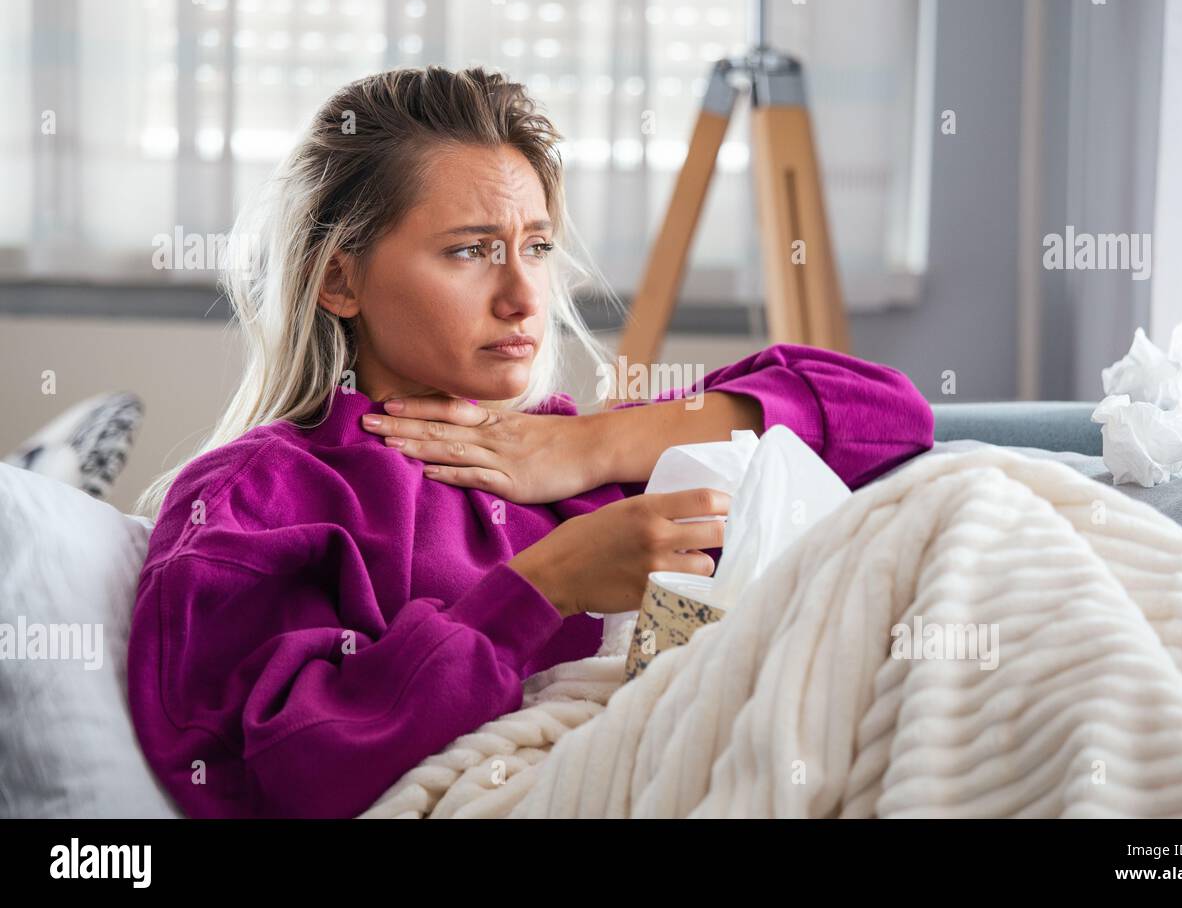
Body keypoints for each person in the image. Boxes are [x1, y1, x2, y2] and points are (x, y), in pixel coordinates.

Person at [127, 65, 934, 818]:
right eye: (471, 250)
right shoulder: (263, 495)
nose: (522, 296)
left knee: (972, 509)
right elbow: (285, 766)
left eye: (538, 247)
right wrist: (546, 584)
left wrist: (591, 448)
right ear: (340, 279)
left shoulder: (584, 447)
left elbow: (889, 413)